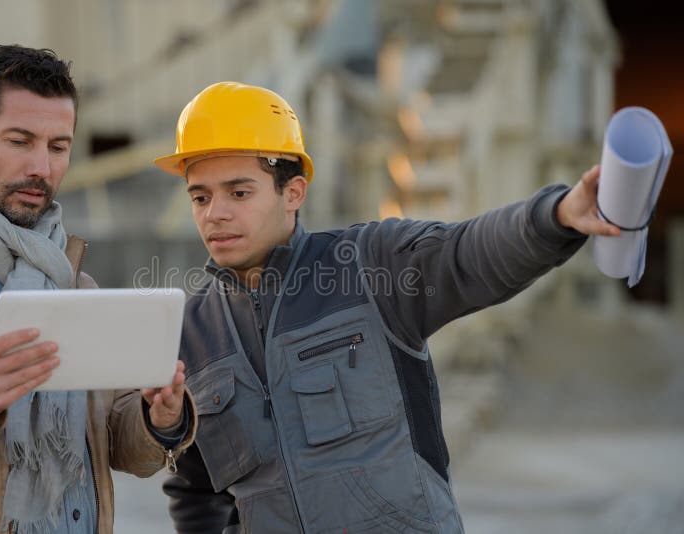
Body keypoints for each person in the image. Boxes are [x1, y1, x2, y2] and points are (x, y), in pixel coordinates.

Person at [153, 81, 620, 533]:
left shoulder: (370, 265)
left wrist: (555, 218)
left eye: (239, 192)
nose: (215, 213)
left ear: (293, 193)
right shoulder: (192, 332)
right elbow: (195, 489)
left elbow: (467, 253)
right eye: (200, 196)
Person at [0, 44, 194, 534]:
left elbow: (123, 450)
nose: (42, 169)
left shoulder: (80, 285)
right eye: (20, 141)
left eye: (58, 146)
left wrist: (160, 417)